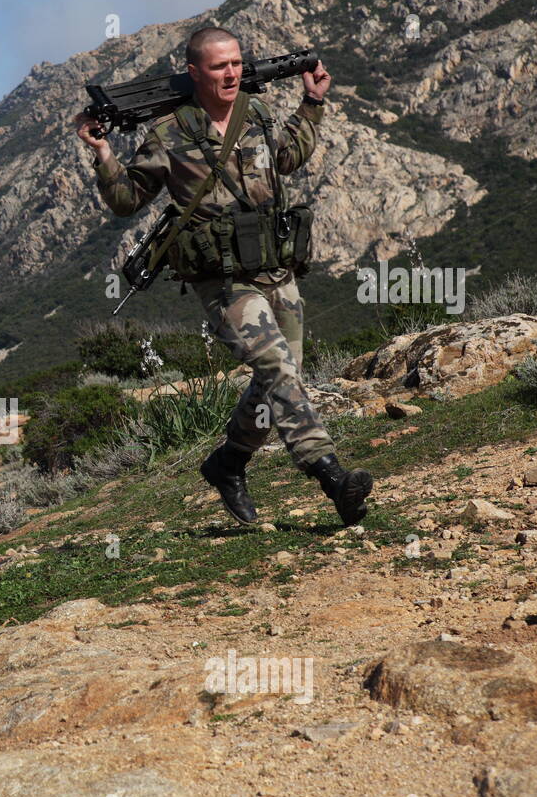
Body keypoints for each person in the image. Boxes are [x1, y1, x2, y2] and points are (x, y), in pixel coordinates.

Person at [73, 26, 374, 527]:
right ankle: (332, 477)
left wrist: (312, 102)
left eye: (236, 63)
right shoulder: (169, 135)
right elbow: (126, 199)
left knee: (283, 376)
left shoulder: (255, 113)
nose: (231, 73)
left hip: (276, 268)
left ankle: (228, 462)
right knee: (277, 369)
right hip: (223, 280)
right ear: (195, 73)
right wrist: (103, 154)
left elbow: (288, 156)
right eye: (218, 66)